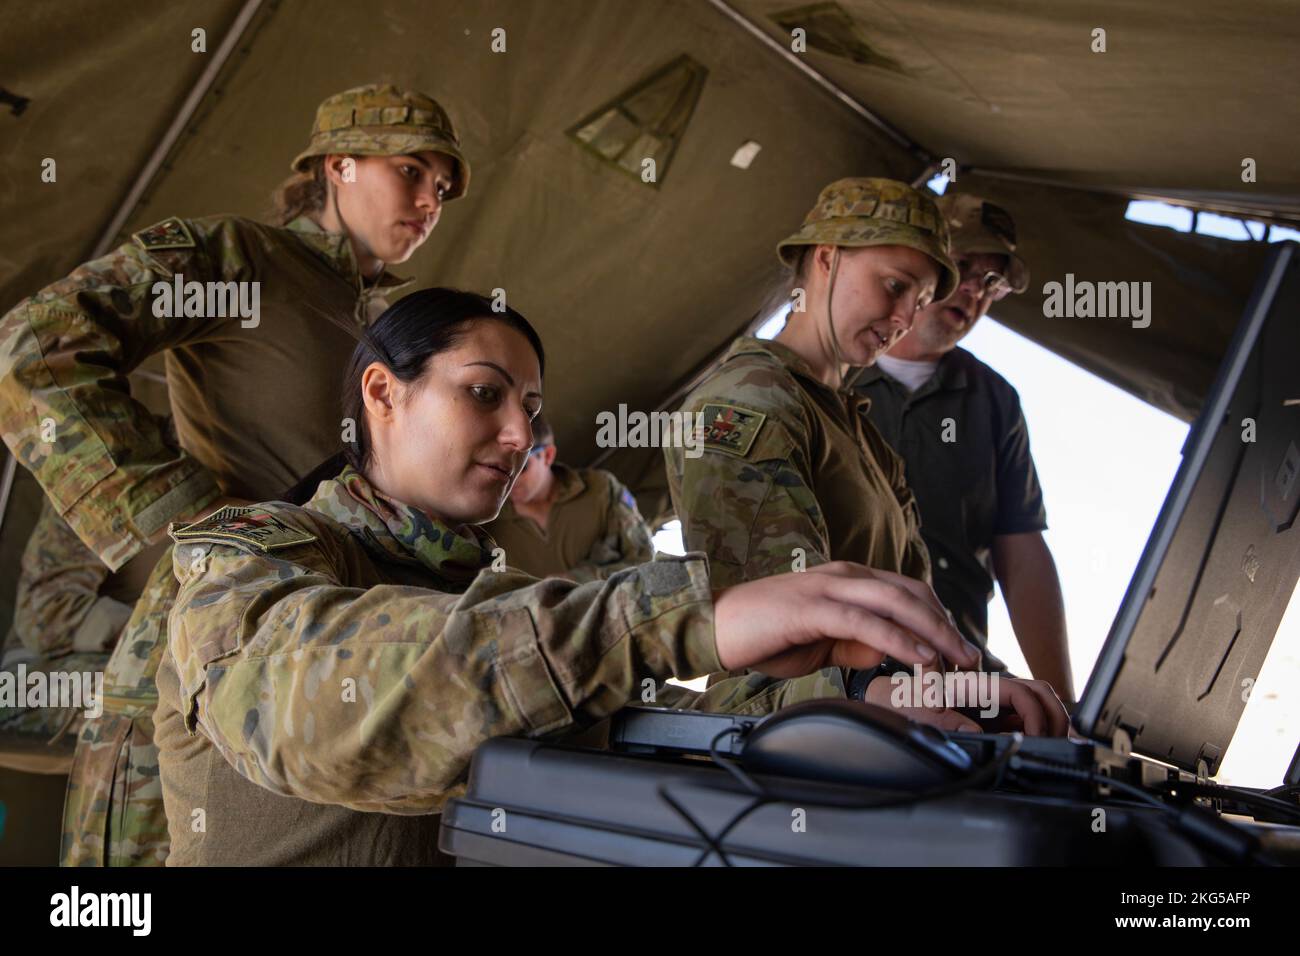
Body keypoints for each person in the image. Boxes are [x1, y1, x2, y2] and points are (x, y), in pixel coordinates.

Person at [153, 287, 979, 865]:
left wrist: (864, 714)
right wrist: (685, 616)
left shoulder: (489, 597)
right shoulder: (253, 550)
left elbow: (632, 724)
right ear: (383, 393)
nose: (521, 434)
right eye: (485, 394)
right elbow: (311, 707)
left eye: (532, 408)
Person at [0, 82, 469, 865]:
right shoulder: (239, 259)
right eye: (413, 172)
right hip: (207, 642)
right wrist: (182, 513)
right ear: (339, 164)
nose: (430, 201)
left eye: (444, 189)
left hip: (327, 649)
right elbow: (34, 349)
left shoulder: (394, 324)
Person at [664, 177, 1069, 733]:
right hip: (795, 743)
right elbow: (767, 659)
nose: (904, 316)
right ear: (827, 259)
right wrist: (875, 695)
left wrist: (983, 688)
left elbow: (914, 620)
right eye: (895, 285)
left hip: (877, 728)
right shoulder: (747, 402)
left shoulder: (853, 425)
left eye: (921, 300)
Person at [853, 193, 1074, 705]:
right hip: (831, 681)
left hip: (955, 678)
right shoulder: (827, 374)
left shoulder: (993, 400)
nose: (974, 289)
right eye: (962, 265)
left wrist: (1064, 711)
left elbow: (1021, 551)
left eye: (992, 281)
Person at [483, 413, 655, 580]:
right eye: (500, 467)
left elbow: (645, 562)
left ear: (547, 455)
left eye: (523, 466)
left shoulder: (601, 491)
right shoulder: (486, 519)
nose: (510, 479)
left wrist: (579, 580)